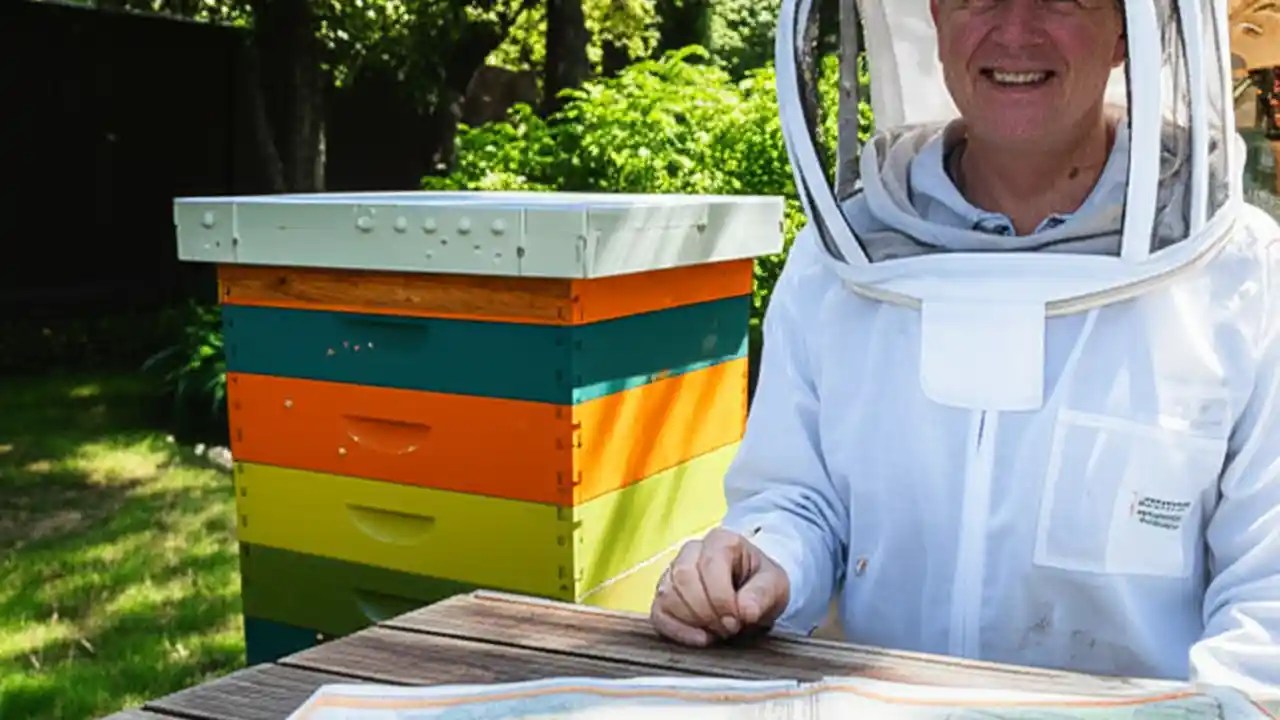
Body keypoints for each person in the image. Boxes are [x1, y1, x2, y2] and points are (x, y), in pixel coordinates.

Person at [649, 0, 1280, 698]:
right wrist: (761, 559)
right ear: (937, 17)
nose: (1016, 31)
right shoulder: (841, 262)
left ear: (1123, 33)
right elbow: (799, 497)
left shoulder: (1243, 280)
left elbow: (1268, 596)